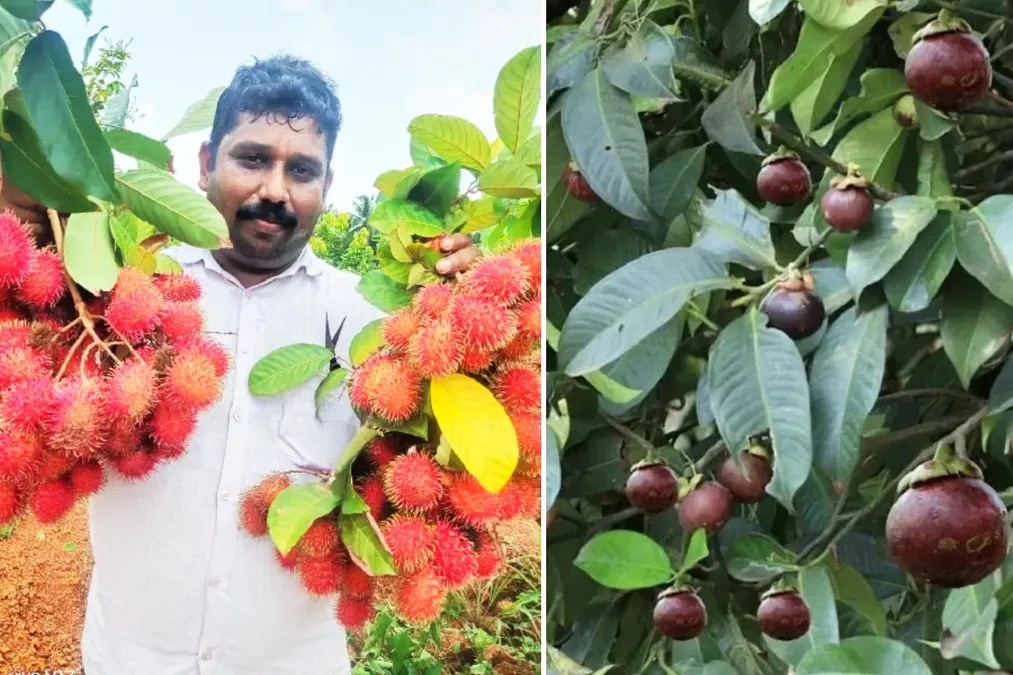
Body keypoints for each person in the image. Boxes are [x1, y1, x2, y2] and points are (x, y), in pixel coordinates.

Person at [1, 54, 480, 674]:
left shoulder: (377, 318)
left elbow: (444, 443)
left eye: (301, 170)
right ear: (206, 166)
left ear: (326, 188)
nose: (275, 190)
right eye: (253, 159)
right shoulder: (121, 288)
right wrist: (37, 199)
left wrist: (466, 311)